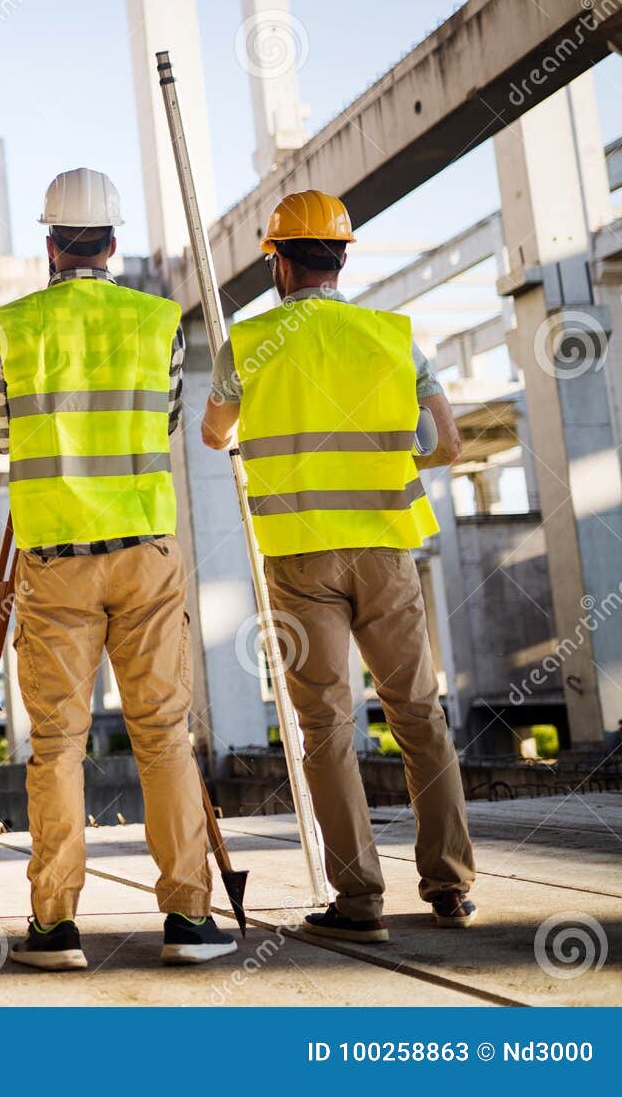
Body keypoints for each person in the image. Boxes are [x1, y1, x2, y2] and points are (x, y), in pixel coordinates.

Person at [201, 189, 477, 942]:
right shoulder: (393, 338)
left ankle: (359, 901)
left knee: (324, 724)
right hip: (385, 548)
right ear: (343, 257)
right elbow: (448, 444)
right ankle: (449, 885)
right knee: (419, 713)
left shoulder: (247, 341)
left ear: (279, 263)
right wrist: (389, 460)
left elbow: (211, 433)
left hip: (297, 554)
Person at [0, 168, 236, 968]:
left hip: (55, 558)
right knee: (163, 732)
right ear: (114, 243)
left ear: (50, 244)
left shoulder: (9, 327)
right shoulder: (158, 320)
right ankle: (188, 919)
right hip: (145, 553)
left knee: (57, 742)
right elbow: (161, 423)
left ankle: (55, 925)